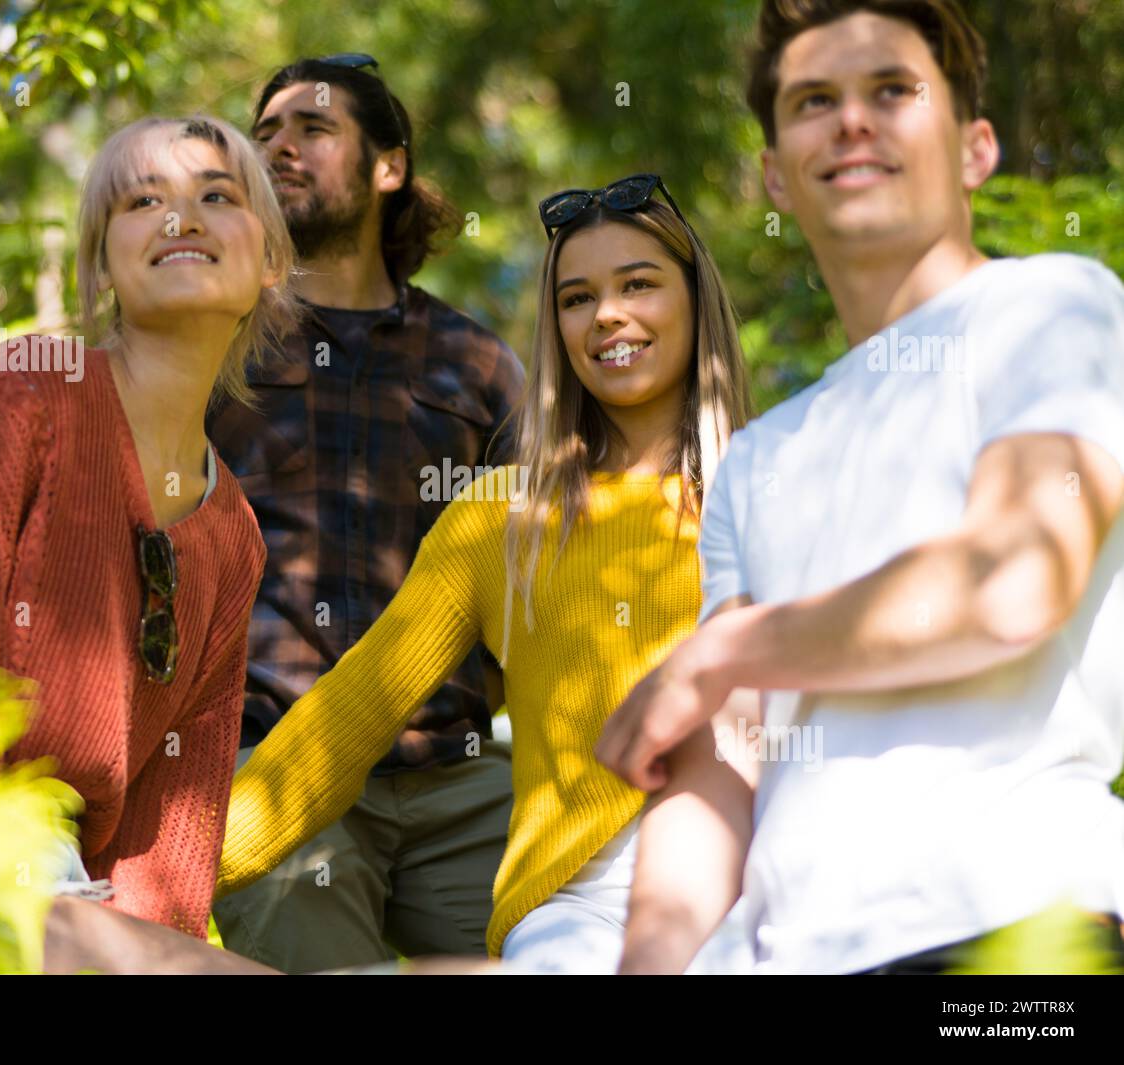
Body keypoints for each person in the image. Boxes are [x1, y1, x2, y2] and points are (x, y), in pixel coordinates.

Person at [598, 0, 1124, 975]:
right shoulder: (757, 458)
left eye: (891, 90)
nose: (851, 121)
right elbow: (726, 759)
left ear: (973, 149)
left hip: (1015, 938)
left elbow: (1010, 586)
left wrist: (723, 650)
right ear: (772, 177)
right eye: (812, 100)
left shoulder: (1054, 306)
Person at [213, 172, 756, 975]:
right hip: (573, 910)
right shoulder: (499, 516)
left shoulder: (772, 484)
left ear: (695, 300)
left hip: (753, 881)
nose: (606, 313)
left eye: (638, 283)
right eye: (576, 297)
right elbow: (350, 713)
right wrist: (181, 866)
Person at [0, 114, 296, 958]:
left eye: (215, 196)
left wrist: (150, 944)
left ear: (270, 262)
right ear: (102, 261)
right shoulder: (25, 392)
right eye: (142, 200)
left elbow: (174, 819)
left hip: (53, 872)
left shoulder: (235, 536)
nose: (179, 217)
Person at [206, 55, 525, 973]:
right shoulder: (213, 338)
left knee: (575, 943)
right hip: (277, 766)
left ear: (389, 167)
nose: (278, 150)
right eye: (262, 136)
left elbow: (537, 572)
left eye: (311, 129)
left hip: (457, 776)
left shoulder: (477, 363)